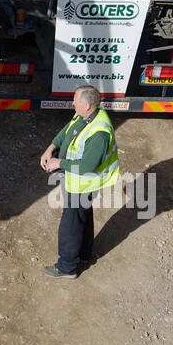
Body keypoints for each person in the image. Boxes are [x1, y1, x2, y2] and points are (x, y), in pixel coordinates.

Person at [39, 83, 120, 279]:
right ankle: (84, 255)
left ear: (87, 105)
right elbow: (67, 130)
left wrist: (59, 162)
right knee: (83, 217)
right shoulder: (84, 115)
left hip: (83, 184)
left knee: (71, 225)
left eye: (75, 100)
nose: (72, 103)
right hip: (78, 182)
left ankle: (67, 267)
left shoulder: (99, 133)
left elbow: (86, 167)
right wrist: (50, 147)